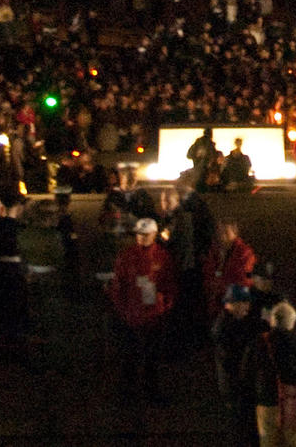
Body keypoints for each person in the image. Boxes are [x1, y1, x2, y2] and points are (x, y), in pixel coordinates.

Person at [109, 215, 177, 403]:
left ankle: (151, 391)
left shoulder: (162, 257)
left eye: (146, 234)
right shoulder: (127, 256)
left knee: (152, 356)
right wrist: (122, 309)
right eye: (139, 234)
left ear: (154, 234)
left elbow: (169, 283)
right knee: (129, 355)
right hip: (132, 314)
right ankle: (127, 392)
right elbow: (118, 285)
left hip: (154, 314)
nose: (142, 238)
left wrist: (165, 304)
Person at [242, 300, 296, 447]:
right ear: (292, 322)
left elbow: (246, 375)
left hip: (266, 403)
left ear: (272, 320)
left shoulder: (258, 343)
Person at [211, 283, 260, 447]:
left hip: (237, 385)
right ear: (233, 304)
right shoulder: (226, 326)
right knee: (239, 427)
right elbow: (231, 359)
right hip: (235, 386)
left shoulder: (234, 323)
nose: (248, 306)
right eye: (244, 302)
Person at [204, 219, 256, 320]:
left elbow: (242, 281)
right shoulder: (215, 251)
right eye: (219, 233)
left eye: (226, 233)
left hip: (235, 306)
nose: (222, 237)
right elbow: (208, 273)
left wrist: (219, 286)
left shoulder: (244, 254)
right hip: (215, 304)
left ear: (235, 233)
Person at [187, 127, 218, 191]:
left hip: (201, 170)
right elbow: (214, 156)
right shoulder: (209, 144)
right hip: (204, 171)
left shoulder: (198, 144)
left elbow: (189, 155)